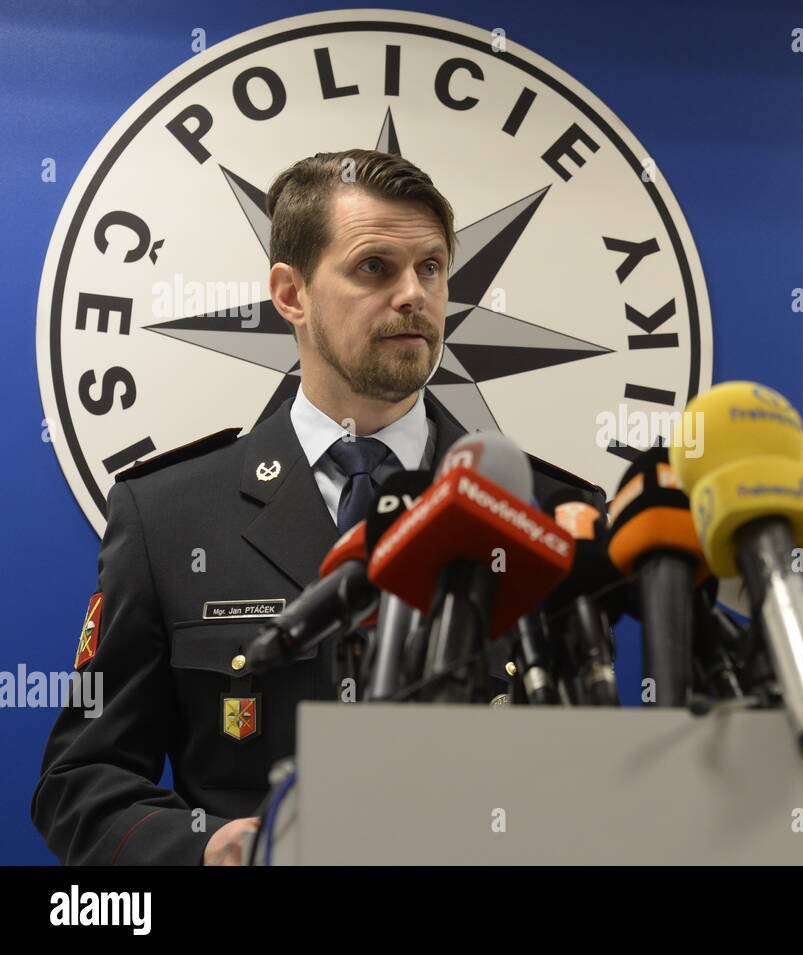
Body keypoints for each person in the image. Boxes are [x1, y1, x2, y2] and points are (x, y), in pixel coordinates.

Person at [32, 149, 595, 866]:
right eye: (374, 268)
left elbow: (592, 780)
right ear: (290, 293)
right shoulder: (167, 515)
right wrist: (204, 848)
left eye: (430, 268)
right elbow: (81, 776)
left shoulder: (546, 510)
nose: (413, 295)